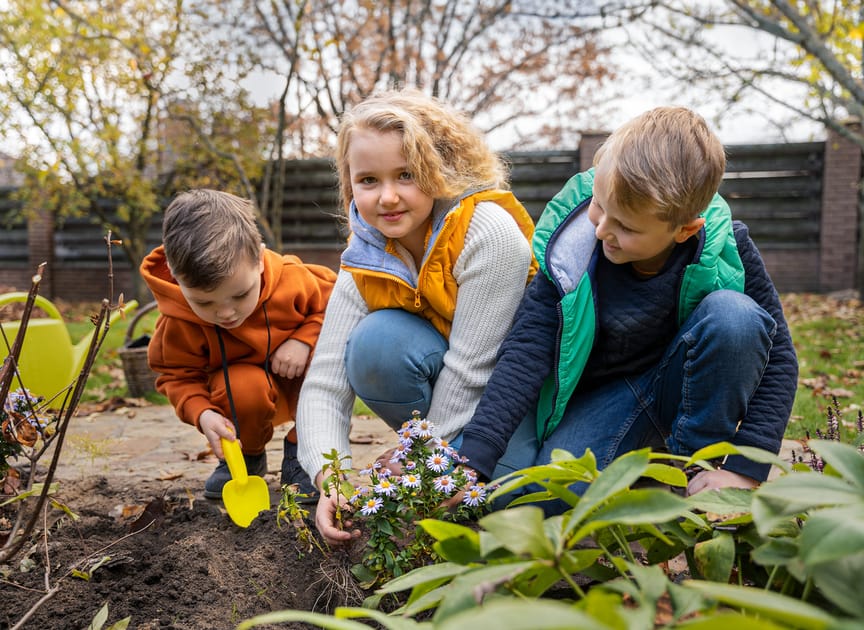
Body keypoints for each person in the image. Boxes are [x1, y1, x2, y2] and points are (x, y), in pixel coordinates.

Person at [457, 106, 799, 515]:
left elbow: (779, 359)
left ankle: (693, 470)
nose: (602, 230)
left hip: (685, 392)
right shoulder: (572, 250)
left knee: (735, 317)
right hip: (605, 402)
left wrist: (746, 469)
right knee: (541, 500)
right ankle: (638, 464)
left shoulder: (728, 250)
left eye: (627, 227)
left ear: (684, 230)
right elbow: (527, 349)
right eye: (599, 206)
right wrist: (475, 457)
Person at [295, 87, 538, 545]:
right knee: (376, 344)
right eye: (369, 180)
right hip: (447, 404)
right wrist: (331, 479)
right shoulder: (365, 256)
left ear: (438, 168)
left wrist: (418, 466)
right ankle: (441, 467)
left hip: (510, 404)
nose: (387, 197)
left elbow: (472, 372)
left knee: (516, 500)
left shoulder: (487, 232)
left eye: (406, 175)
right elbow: (325, 381)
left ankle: (455, 468)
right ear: (350, 185)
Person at [141, 189, 336, 501]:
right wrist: (202, 413)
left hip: (301, 383)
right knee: (243, 384)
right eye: (205, 303)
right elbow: (177, 375)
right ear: (177, 278)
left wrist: (304, 338)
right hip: (240, 398)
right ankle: (246, 455)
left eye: (240, 295)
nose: (226, 313)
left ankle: (305, 452)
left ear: (259, 259)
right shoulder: (178, 321)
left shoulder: (294, 280)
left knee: (330, 357)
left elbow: (339, 307)